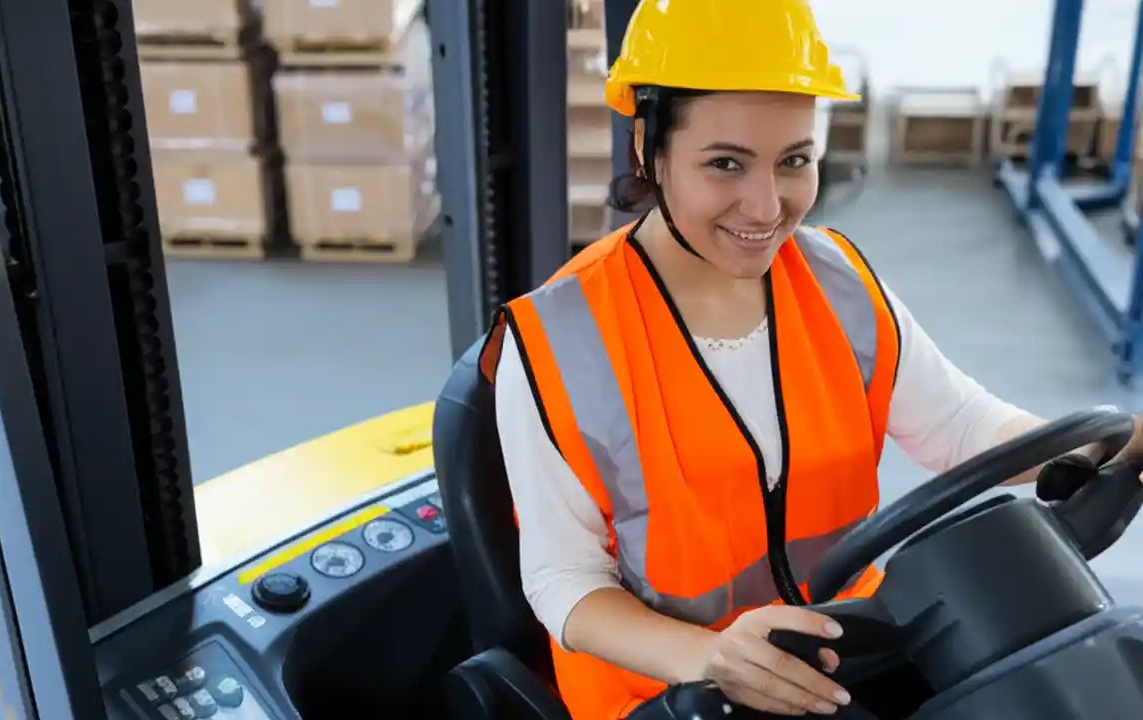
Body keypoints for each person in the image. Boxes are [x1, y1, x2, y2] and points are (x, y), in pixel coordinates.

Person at [470, 1, 1143, 719]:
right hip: (678, 692)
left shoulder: (835, 282)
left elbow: (960, 425)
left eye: (794, 161)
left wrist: (1107, 440)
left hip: (848, 651)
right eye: (725, 164)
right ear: (648, 147)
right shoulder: (558, 340)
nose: (766, 207)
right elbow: (563, 583)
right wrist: (712, 655)